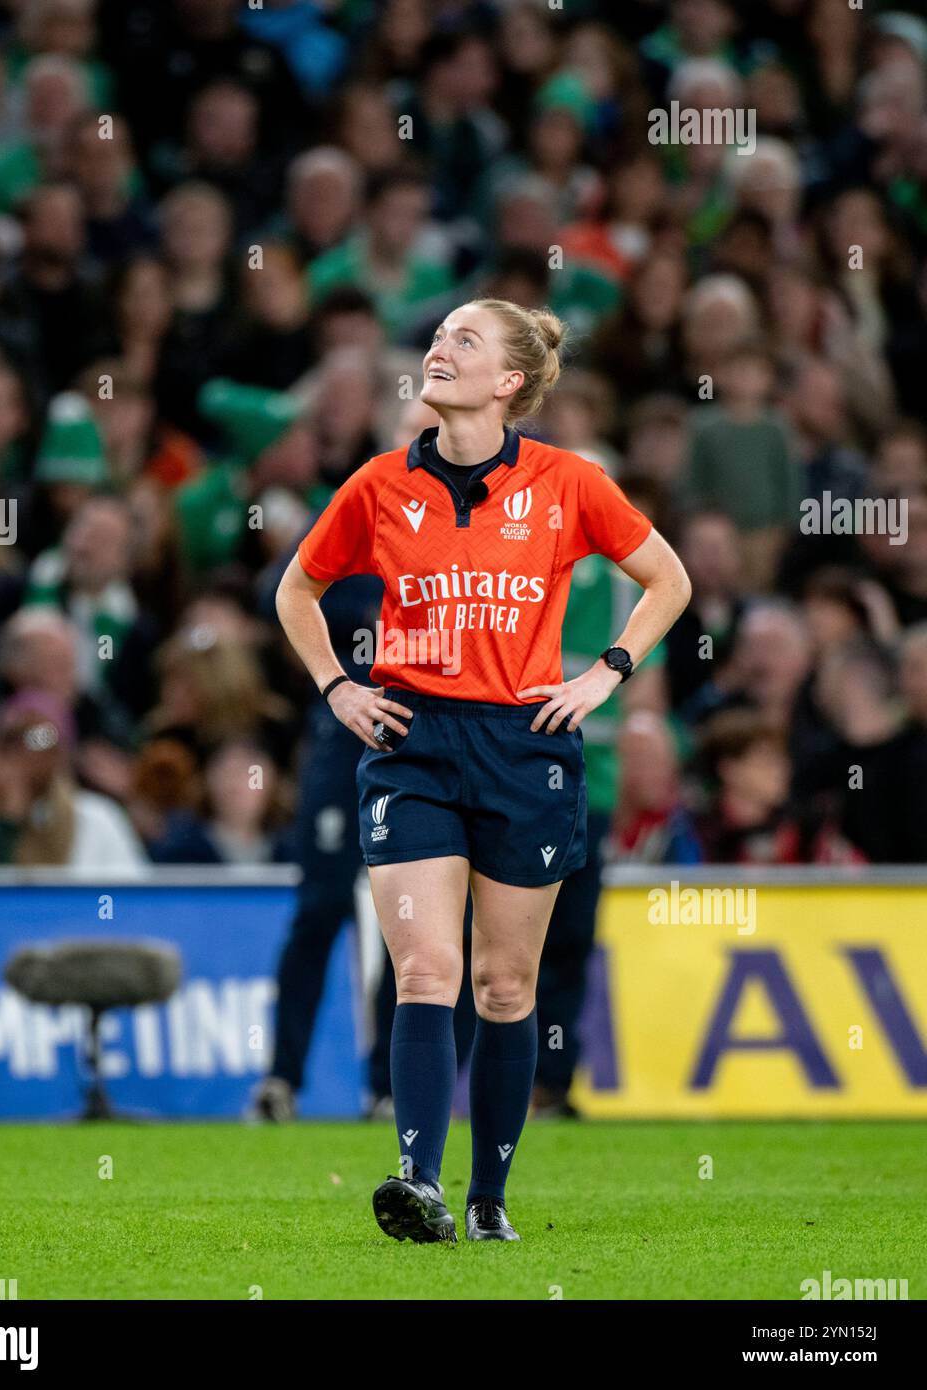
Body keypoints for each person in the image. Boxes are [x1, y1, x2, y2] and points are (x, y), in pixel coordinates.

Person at [275, 299, 690, 1243]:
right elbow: (296, 589)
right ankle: (417, 1179)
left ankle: (489, 1196)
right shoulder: (378, 485)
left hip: (524, 747)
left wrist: (606, 674)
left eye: (465, 339)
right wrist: (338, 686)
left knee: (506, 987)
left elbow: (669, 579)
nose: (438, 347)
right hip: (410, 741)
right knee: (426, 968)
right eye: (437, 336)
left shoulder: (570, 483)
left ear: (510, 382)